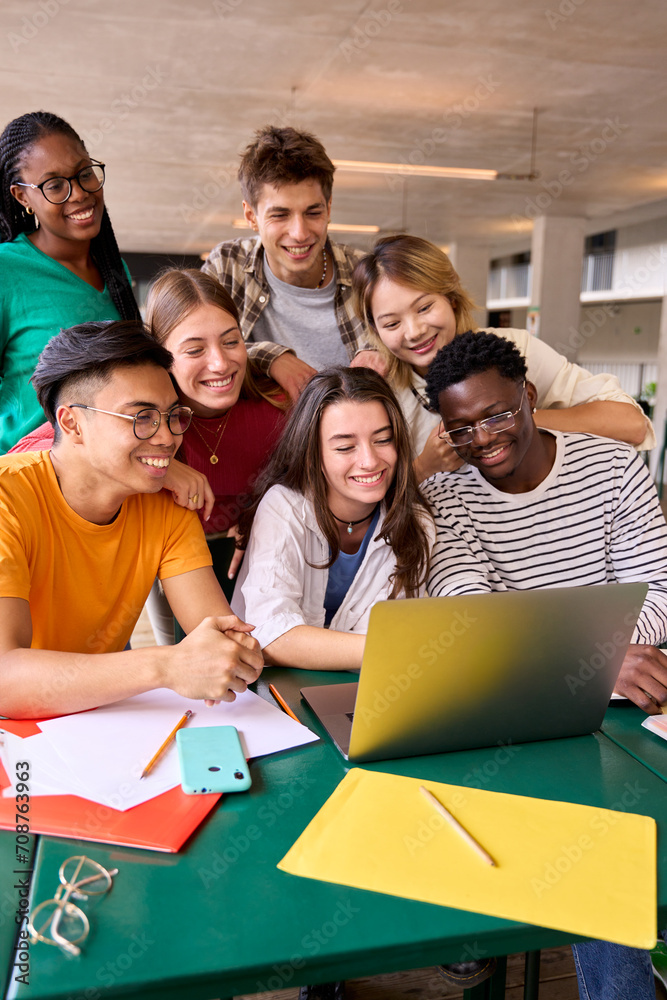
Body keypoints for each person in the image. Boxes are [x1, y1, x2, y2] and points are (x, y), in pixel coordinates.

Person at [422, 331, 667, 999]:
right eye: (462, 429)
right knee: (599, 849)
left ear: (529, 397)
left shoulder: (614, 468)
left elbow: (658, 591)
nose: (484, 439)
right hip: (520, 722)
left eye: (497, 414)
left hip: (636, 705)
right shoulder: (446, 497)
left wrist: (592, 657)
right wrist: (594, 659)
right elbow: (471, 620)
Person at [0, 320, 262, 720]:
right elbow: (6, 680)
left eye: (172, 416)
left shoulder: (166, 506)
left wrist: (233, 655)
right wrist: (166, 665)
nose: (166, 437)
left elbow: (218, 634)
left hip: (97, 719)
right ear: (71, 423)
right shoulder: (7, 498)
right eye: (141, 416)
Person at [351, 234, 654, 482]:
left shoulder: (511, 350)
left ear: (452, 299)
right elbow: (361, 502)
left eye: (424, 308)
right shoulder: (379, 386)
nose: (414, 331)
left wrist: (516, 420)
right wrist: (425, 466)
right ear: (374, 330)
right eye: (391, 323)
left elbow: (630, 424)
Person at [232, 366, 433, 671]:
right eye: (345, 447)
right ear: (313, 453)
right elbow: (272, 636)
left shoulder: (416, 522)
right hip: (273, 688)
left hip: (366, 688)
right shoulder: (283, 506)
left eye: (382, 440)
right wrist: (395, 647)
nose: (369, 461)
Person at [202, 125, 381, 401]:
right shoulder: (228, 265)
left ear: (329, 208)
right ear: (251, 216)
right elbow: (194, 349)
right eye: (280, 215)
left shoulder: (366, 274)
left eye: (313, 212)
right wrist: (270, 358)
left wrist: (382, 351)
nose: (299, 232)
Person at [0, 110, 139, 454]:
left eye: (84, 174)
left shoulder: (114, 269)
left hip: (104, 477)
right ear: (22, 196)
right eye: (55, 185)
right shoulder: (6, 270)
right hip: (27, 479)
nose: (78, 194)